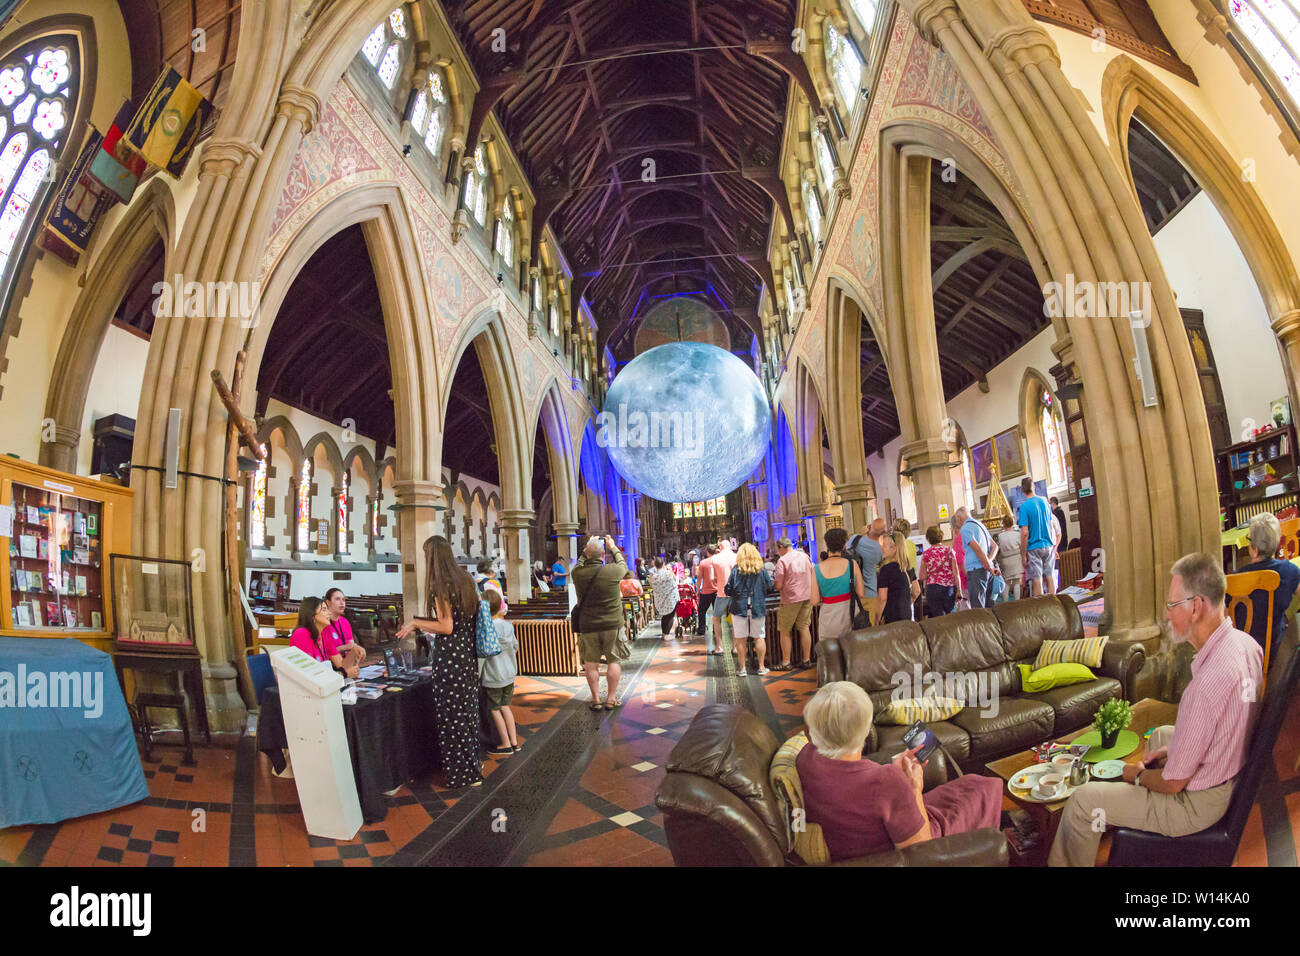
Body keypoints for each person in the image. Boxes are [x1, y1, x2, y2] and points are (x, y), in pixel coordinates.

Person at [1049, 553, 1263, 866]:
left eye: (1172, 604)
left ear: (1196, 606)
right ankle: (1131, 825)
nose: (1166, 613)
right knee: (1162, 735)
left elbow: (1173, 784)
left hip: (1196, 806)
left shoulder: (1204, 687)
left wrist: (1135, 776)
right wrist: (1172, 753)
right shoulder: (1246, 644)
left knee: (1082, 801)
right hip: (1227, 776)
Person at [797, 682, 1002, 861]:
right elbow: (923, 849)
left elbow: (857, 785)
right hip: (903, 850)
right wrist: (914, 788)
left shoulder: (806, 757)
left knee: (970, 783)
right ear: (866, 730)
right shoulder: (886, 782)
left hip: (861, 839)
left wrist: (892, 774)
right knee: (986, 788)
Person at [395, 536, 483, 788]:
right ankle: (472, 765)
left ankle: (463, 774)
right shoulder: (465, 579)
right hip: (466, 656)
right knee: (467, 713)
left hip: (451, 659)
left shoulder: (440, 585)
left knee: (451, 715)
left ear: (432, 557)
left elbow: (446, 626)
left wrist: (415, 622)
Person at [571, 535, 630, 710]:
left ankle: (596, 699)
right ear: (603, 555)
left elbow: (580, 563)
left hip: (588, 625)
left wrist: (587, 548)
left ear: (586, 555)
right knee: (613, 660)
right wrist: (613, 546)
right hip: (612, 624)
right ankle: (611, 699)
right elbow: (623, 565)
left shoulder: (578, 573)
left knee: (591, 662)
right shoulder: (613, 571)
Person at [1233, 511, 1300, 663]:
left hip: (1245, 660)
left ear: (1254, 549)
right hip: (1278, 657)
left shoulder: (1234, 580)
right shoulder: (1289, 571)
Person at [478, 590, 520, 757]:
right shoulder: (507, 626)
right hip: (509, 673)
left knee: (494, 709)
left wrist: (478, 675)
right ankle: (515, 742)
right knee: (505, 706)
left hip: (493, 675)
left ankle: (505, 744)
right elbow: (515, 647)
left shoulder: (485, 630)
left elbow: (482, 656)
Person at [724, 542, 774, 676]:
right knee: (759, 637)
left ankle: (742, 669)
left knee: (741, 639)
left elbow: (728, 589)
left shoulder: (736, 569)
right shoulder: (761, 569)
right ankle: (761, 667)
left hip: (739, 607)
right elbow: (770, 587)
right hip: (757, 606)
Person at [811, 527, 867, 642]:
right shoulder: (852, 564)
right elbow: (861, 593)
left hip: (828, 618)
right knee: (851, 655)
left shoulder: (817, 569)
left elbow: (814, 600)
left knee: (831, 656)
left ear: (826, 544)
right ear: (844, 545)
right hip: (849, 616)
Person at [773, 536, 816, 670]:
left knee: (785, 630)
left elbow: (779, 585)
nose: (778, 553)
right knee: (804, 627)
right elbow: (812, 573)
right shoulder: (804, 556)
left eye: (777, 550)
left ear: (781, 547)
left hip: (791, 598)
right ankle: (806, 660)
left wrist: (774, 585)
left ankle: (786, 662)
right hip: (807, 595)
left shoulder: (782, 561)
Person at [290, 597, 357, 676]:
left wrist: (353, 654)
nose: (329, 613)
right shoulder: (301, 634)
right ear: (312, 615)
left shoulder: (325, 632)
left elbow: (340, 664)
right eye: (324, 610)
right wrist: (343, 674)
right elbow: (309, 673)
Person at [1017, 477, 1058, 597]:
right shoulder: (1045, 502)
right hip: (1048, 544)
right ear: (1034, 486)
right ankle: (1054, 604)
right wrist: (1053, 544)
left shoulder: (1024, 507)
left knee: (1037, 578)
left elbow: (1024, 533)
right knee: (1050, 575)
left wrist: (1023, 554)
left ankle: (1040, 610)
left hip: (1034, 546)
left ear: (1022, 491)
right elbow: (1051, 525)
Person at [954, 507, 998, 609]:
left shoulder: (965, 528)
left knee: (978, 609)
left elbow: (977, 549)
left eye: (956, 520)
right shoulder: (980, 525)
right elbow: (995, 546)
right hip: (987, 571)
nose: (957, 523)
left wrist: (987, 564)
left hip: (976, 571)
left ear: (959, 518)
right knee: (989, 606)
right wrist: (989, 562)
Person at [849, 518, 885, 625]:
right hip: (869, 592)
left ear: (869, 527)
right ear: (882, 533)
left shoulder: (854, 539)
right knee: (869, 631)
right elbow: (879, 564)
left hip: (851, 592)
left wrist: (862, 534)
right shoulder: (878, 549)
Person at [877, 531, 918, 623]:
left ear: (894, 548)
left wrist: (877, 619)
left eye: (884, 545)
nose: (881, 548)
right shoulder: (908, 567)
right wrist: (906, 603)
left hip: (891, 616)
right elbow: (916, 591)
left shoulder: (886, 570)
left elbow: (882, 599)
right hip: (906, 614)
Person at [918, 526, 959, 617]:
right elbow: (956, 573)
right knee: (951, 617)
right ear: (941, 536)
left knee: (938, 618)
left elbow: (922, 576)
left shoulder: (926, 554)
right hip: (949, 588)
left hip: (932, 589)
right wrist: (959, 590)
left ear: (928, 539)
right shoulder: (949, 551)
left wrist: (931, 573)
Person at [710, 538, 738, 657]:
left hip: (721, 593)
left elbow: (712, 578)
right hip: (735, 594)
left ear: (720, 547)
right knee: (734, 620)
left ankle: (719, 647)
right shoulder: (736, 557)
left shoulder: (715, 558)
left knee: (716, 619)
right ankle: (735, 647)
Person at [322, 587, 366, 663]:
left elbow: (351, 644)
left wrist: (357, 650)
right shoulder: (323, 623)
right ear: (328, 602)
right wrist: (346, 647)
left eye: (343, 600)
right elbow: (324, 652)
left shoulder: (345, 622)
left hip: (345, 662)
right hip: (330, 664)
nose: (342, 603)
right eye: (337, 599)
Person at [995, 516, 1024, 603]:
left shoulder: (1000, 536)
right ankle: (1017, 603)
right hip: (1016, 560)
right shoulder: (1017, 534)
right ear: (1012, 523)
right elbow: (1021, 547)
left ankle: (1005, 603)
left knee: (1006, 583)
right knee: (1016, 583)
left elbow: (998, 550)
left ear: (1003, 524)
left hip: (1005, 561)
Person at [650, 556, 680, 640]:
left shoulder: (654, 576)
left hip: (661, 599)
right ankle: (666, 634)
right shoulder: (668, 573)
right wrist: (670, 571)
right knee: (670, 616)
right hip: (671, 598)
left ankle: (664, 633)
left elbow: (652, 585)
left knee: (664, 616)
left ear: (655, 566)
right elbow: (675, 579)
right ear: (663, 564)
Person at [696, 543, 718, 640]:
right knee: (716, 612)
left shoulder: (703, 563)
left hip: (705, 591)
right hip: (717, 591)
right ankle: (716, 629)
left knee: (701, 611)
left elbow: (699, 578)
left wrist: (697, 591)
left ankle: (701, 630)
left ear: (707, 552)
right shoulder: (719, 561)